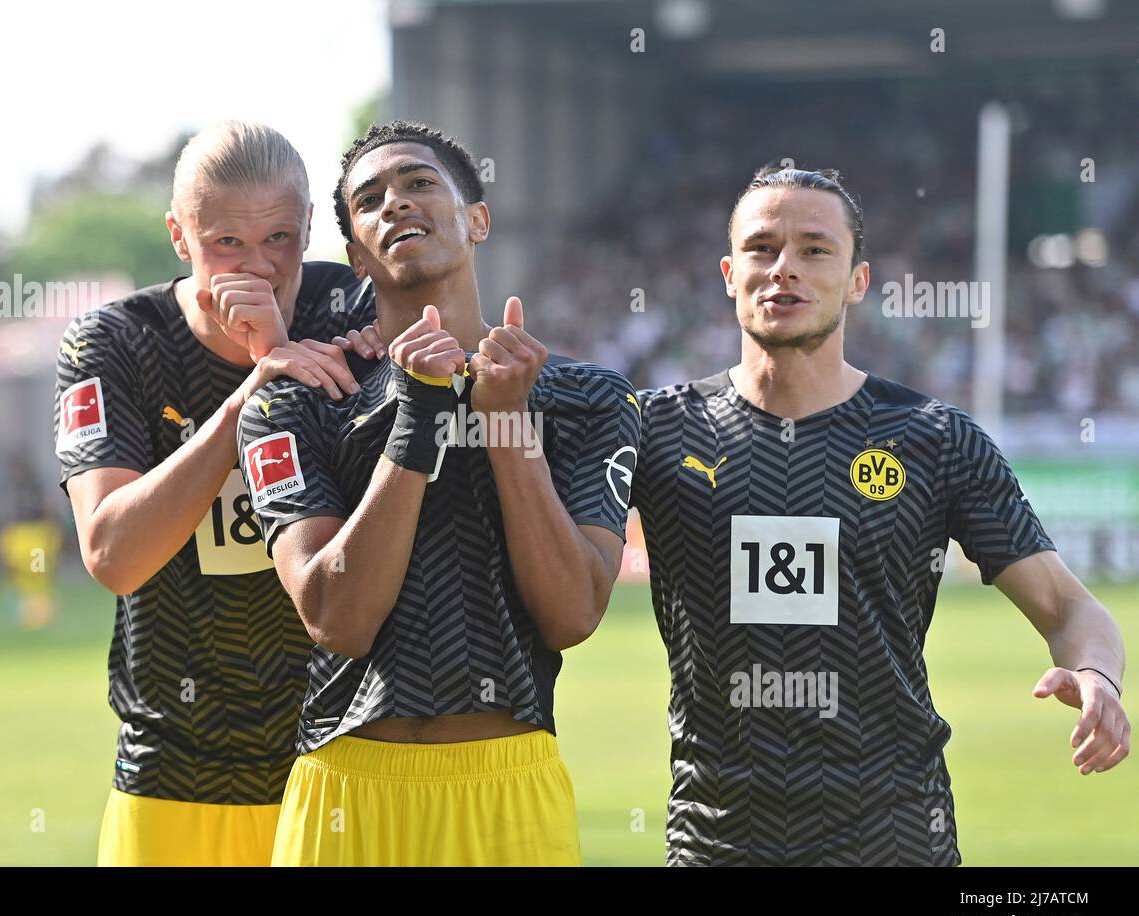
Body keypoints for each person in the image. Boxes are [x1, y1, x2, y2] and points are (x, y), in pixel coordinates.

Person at [632, 163, 1130, 866]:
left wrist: (1099, 677)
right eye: (761, 248)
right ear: (727, 272)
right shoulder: (657, 429)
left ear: (857, 280)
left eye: (814, 249)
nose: (783, 269)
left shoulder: (934, 437)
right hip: (716, 840)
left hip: (895, 838)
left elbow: (1069, 609)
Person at [237, 121, 641, 866]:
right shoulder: (300, 400)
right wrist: (418, 419)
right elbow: (337, 617)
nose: (395, 202)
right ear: (356, 256)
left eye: (420, 183)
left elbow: (572, 612)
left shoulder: (587, 398)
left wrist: (507, 424)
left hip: (507, 789)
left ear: (477, 218)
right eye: (370, 200)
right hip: (345, 789)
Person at [55, 120, 383, 866]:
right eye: (225, 243)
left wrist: (392, 362)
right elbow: (112, 554)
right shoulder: (115, 341)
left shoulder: (355, 312)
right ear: (179, 236)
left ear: (308, 229)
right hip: (174, 772)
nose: (260, 269)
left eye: (279, 239)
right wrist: (250, 399)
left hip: (337, 768)